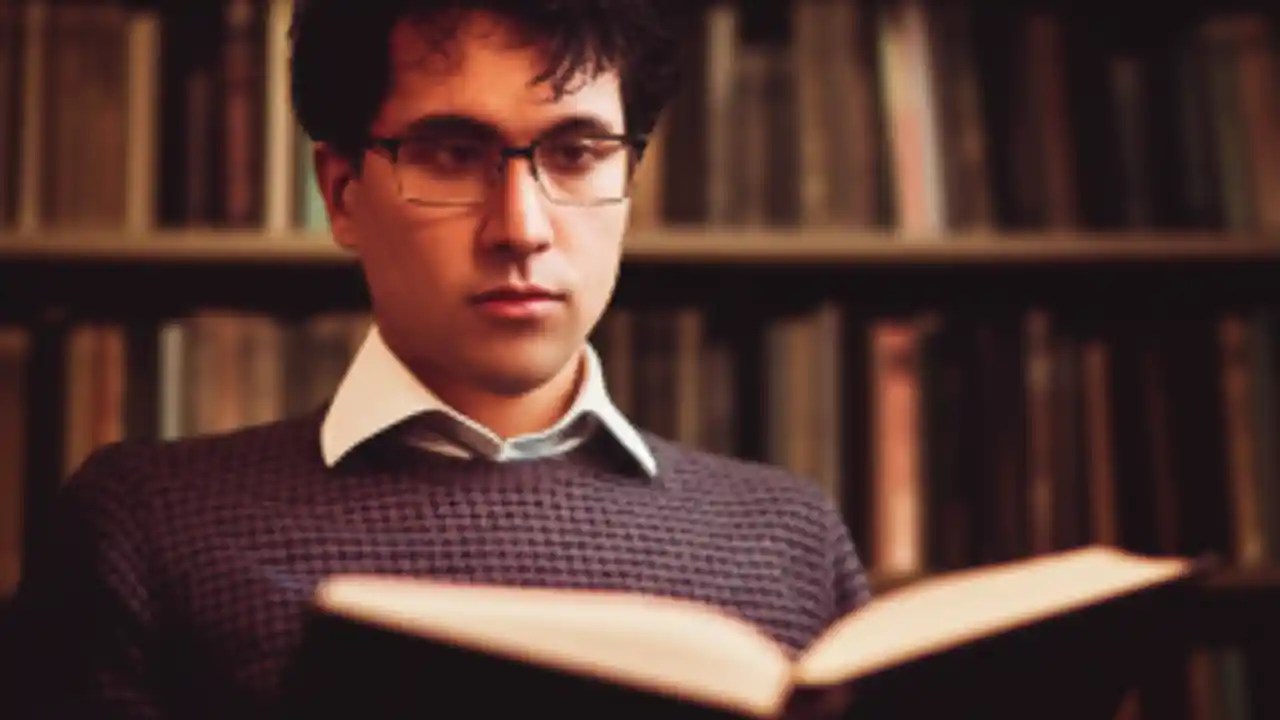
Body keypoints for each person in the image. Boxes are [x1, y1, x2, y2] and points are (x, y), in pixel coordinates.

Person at [6, 1, 871, 717]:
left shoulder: (788, 539)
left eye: (575, 154)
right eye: (453, 155)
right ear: (342, 193)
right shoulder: (144, 529)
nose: (522, 228)